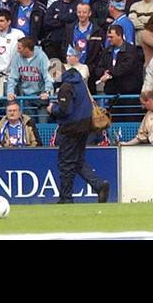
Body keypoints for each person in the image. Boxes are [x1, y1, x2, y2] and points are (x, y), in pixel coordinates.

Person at [47, 60, 111, 203]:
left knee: (65, 163)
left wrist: (52, 109)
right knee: (78, 161)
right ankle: (99, 185)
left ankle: (66, 198)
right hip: (86, 126)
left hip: (71, 128)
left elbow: (65, 110)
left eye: (52, 75)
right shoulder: (79, 80)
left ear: (56, 72)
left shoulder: (66, 86)